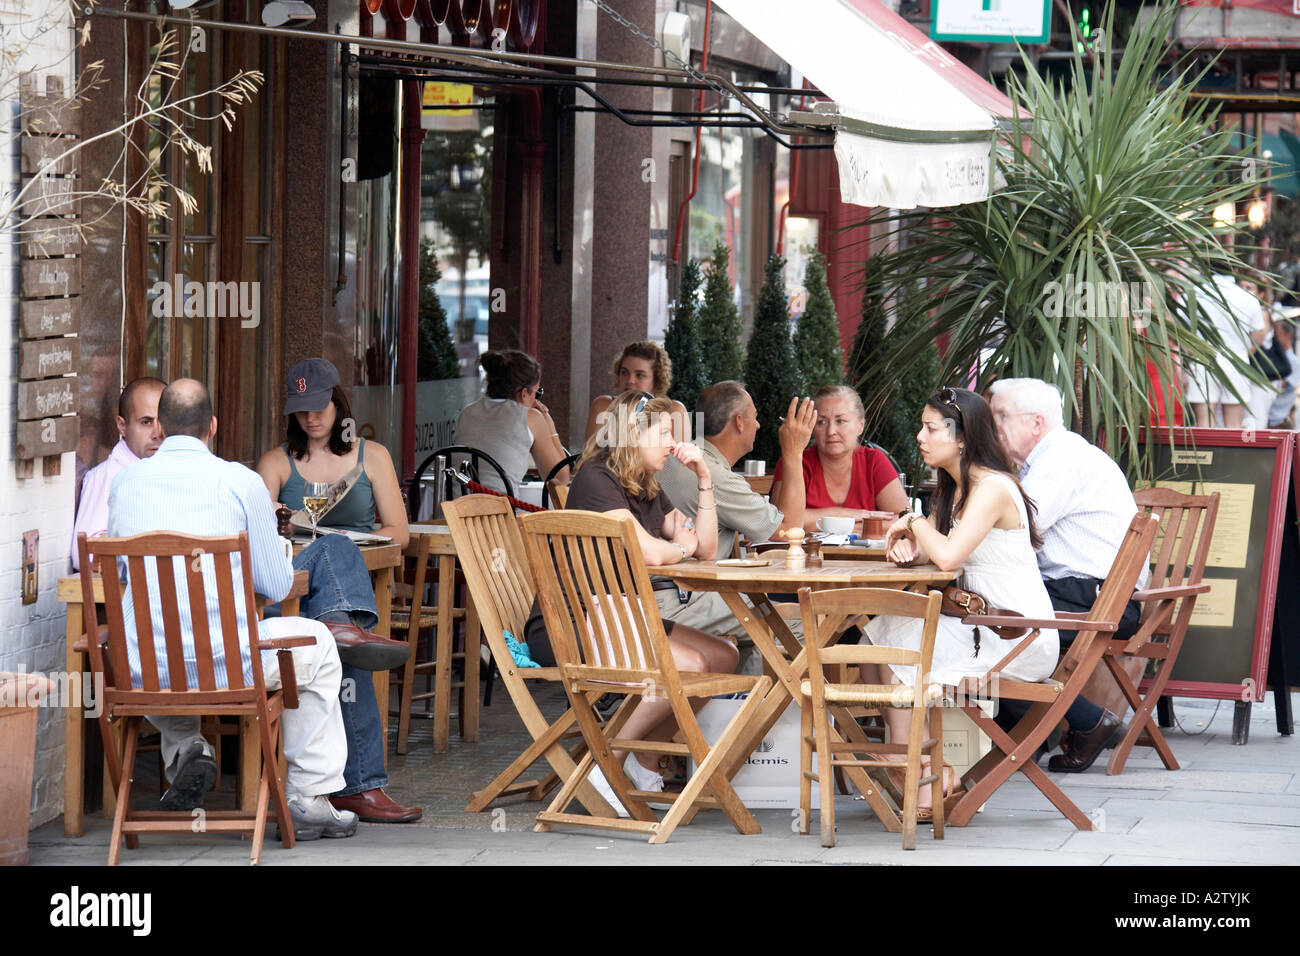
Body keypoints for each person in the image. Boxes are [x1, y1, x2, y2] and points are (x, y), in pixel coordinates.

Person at [107, 380, 358, 840]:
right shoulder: (240, 482)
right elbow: (277, 585)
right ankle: (308, 795)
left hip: (142, 672)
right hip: (231, 670)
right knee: (320, 643)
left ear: (160, 426)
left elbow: (124, 570)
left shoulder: (124, 483)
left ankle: (186, 748)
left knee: (163, 647)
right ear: (213, 427)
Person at [526, 390, 736, 813]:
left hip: (619, 619)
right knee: (690, 666)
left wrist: (704, 479)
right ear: (631, 434)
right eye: (663, 434)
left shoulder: (645, 486)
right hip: (571, 623)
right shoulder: (596, 479)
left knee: (725, 655)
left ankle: (642, 758)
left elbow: (707, 550)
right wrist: (676, 547)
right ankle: (605, 764)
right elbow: (656, 553)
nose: (672, 445)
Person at [864, 387, 1061, 813]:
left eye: (930, 428)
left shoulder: (991, 488)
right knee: (875, 638)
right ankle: (915, 764)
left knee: (897, 645)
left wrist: (912, 521)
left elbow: (949, 554)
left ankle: (917, 772)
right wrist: (907, 549)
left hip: (1018, 636)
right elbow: (933, 551)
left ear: (962, 438)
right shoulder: (956, 487)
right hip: (985, 629)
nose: (920, 435)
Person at [256, 358, 423, 824]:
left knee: (340, 634)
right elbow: (258, 535)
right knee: (346, 642)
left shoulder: (373, 456)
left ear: (338, 401)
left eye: (320, 406)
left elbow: (400, 533)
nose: (311, 418)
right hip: (290, 587)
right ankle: (363, 788)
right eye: (301, 409)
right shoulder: (275, 462)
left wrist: (357, 543)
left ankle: (344, 628)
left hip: (350, 586)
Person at [988, 378, 1146, 771]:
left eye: (1001, 416)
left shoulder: (1058, 461)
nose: (993, 426)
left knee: (982, 628)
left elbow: (1013, 533)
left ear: (1036, 423)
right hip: (1083, 591)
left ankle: (1086, 720)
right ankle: (1021, 733)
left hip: (1094, 598)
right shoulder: (1051, 457)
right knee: (980, 617)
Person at [656, 381, 818, 637]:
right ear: (739, 422)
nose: (759, 426)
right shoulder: (714, 475)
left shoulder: (671, 458)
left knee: (764, 616)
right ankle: (774, 678)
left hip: (649, 594)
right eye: (755, 418)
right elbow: (790, 532)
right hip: (680, 601)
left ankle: (758, 677)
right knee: (803, 625)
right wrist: (794, 451)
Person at [769, 384, 910, 533]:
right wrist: (846, 515)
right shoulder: (796, 461)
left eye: (840, 421)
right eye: (821, 422)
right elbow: (782, 524)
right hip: (807, 556)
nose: (831, 431)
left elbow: (906, 520)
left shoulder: (874, 461)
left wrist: (840, 525)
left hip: (864, 556)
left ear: (860, 426)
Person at [71, 377, 166, 570]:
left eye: (163, 421)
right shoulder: (109, 476)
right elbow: (83, 554)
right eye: (146, 422)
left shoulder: (170, 471)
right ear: (122, 426)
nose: (157, 432)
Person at [455, 349, 570, 493]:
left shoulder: (467, 412)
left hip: (452, 510)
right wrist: (549, 424)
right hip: (496, 512)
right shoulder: (530, 417)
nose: (536, 399)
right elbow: (560, 478)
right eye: (537, 393)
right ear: (523, 394)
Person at [1185, 274, 1270, 428]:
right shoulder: (1247, 297)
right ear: (1234, 268)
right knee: (1234, 425)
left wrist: (1191, 352)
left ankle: (1204, 452)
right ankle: (1232, 453)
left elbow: (1181, 331)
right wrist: (1244, 351)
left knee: (1204, 424)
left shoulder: (1192, 293)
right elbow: (1257, 338)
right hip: (1237, 362)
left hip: (1202, 361)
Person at [583, 341, 691, 444]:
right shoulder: (603, 406)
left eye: (639, 375)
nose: (630, 380)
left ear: (657, 379)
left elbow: (680, 462)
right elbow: (588, 459)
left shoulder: (673, 411)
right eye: (624, 372)